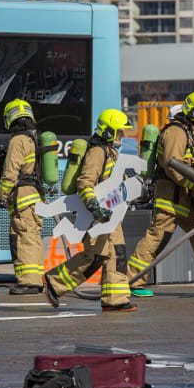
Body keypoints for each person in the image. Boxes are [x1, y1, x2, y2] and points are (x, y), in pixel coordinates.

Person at [126, 91, 194, 297]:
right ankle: (132, 281)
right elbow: (173, 166)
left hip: (189, 199)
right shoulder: (176, 132)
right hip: (171, 198)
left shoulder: (191, 134)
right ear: (193, 113)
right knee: (157, 237)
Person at [43, 109, 137, 312]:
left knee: (117, 254)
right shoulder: (97, 152)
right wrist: (94, 208)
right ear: (109, 131)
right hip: (97, 215)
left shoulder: (111, 152)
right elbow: (85, 182)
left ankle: (116, 299)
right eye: (119, 132)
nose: (122, 136)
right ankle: (54, 281)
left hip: (111, 215)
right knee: (95, 256)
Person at [0, 99, 45, 296]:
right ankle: (32, 280)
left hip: (23, 197)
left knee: (25, 239)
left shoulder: (18, 140)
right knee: (30, 237)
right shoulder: (34, 138)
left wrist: (1, 194)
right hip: (34, 196)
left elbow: (11, 172)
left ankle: (29, 282)